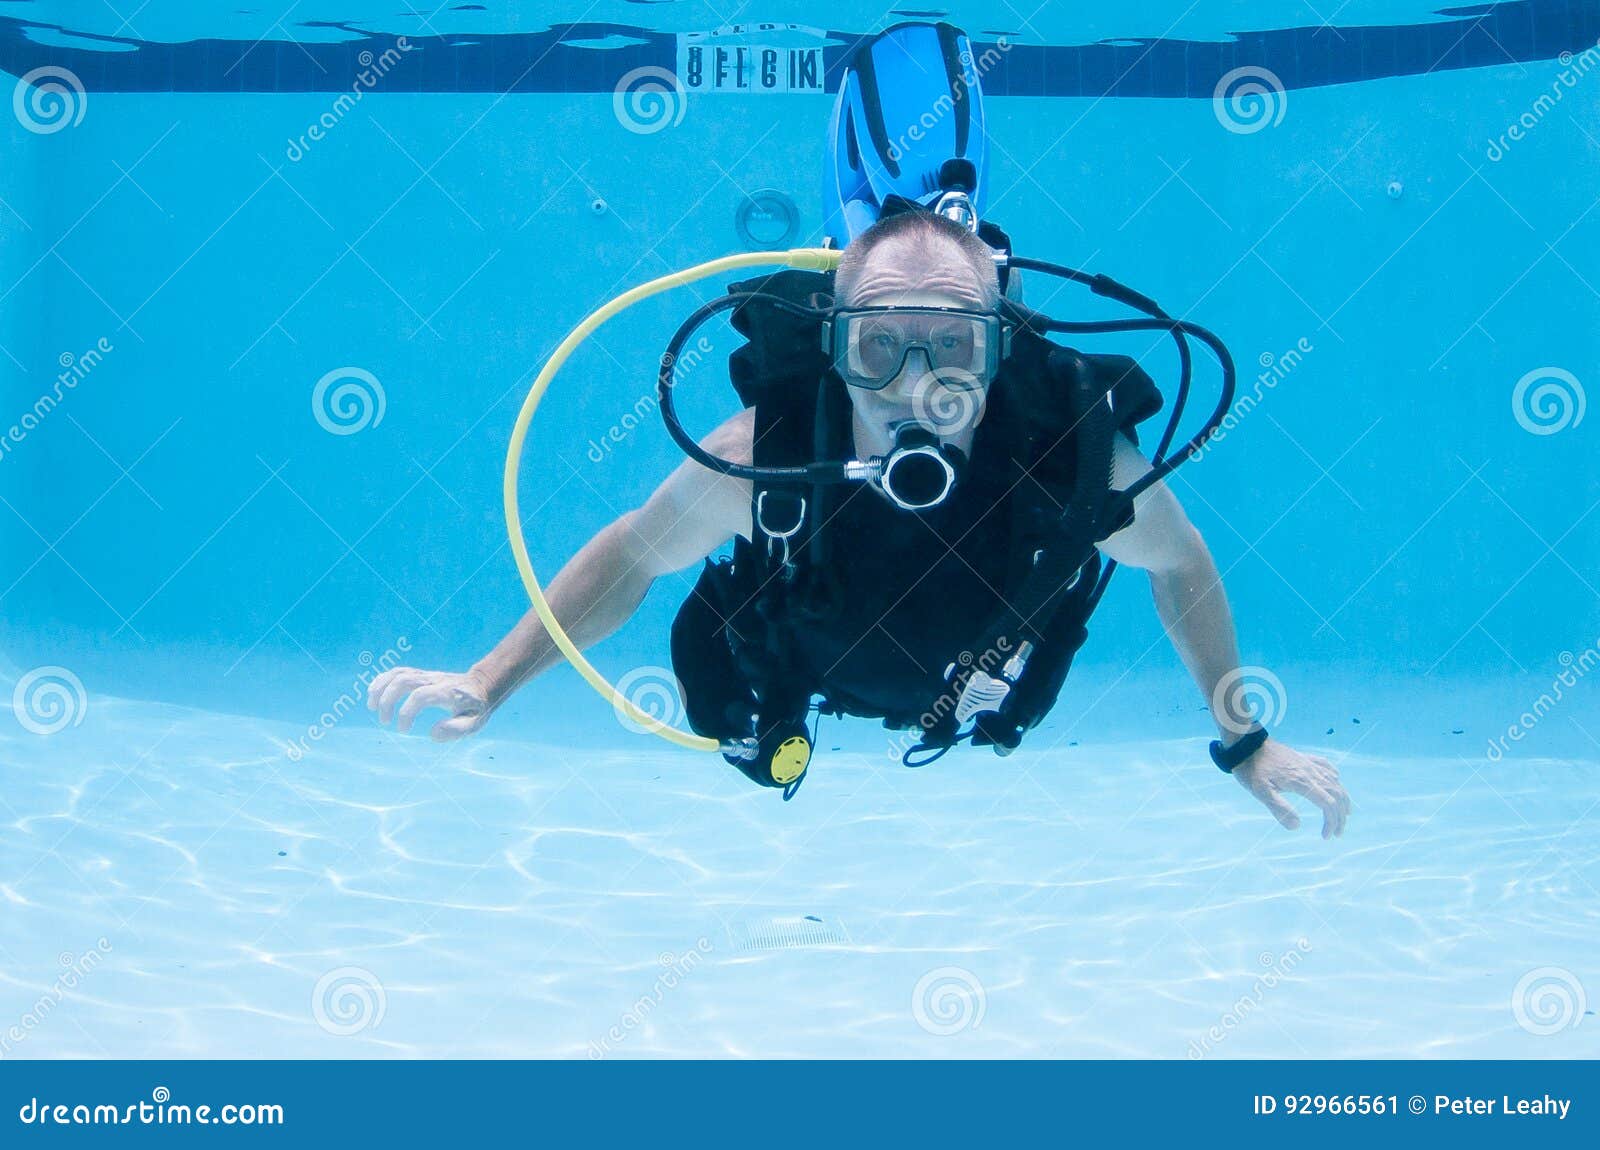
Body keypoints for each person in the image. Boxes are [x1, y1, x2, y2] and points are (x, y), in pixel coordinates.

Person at [369, 23, 1351, 835]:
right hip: (794, 669)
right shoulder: (768, 454)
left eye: (953, 349)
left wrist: (1243, 736)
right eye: (883, 348)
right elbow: (631, 558)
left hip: (981, 692)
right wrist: (488, 680)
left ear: (1000, 349)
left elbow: (1180, 563)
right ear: (835, 349)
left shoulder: (1074, 461)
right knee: (713, 666)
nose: (918, 387)